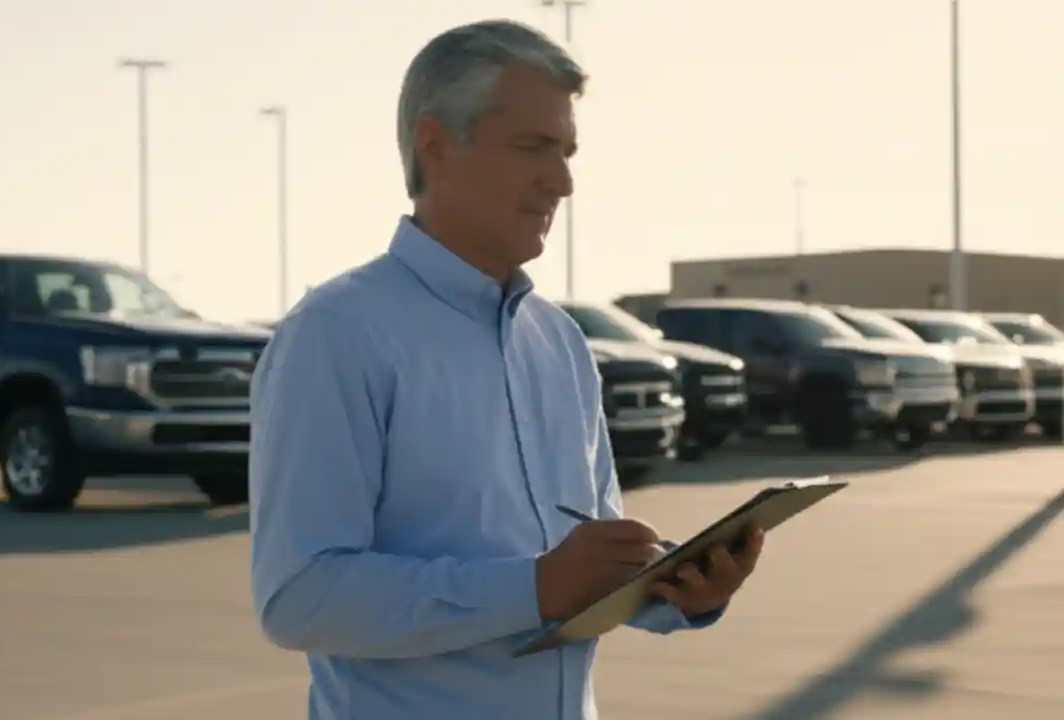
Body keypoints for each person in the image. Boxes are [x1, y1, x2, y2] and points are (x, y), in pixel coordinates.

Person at [248, 18, 765, 720]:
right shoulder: (337, 334)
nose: (563, 182)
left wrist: (679, 588)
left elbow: (586, 572)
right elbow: (300, 598)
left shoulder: (560, 342)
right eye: (533, 147)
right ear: (434, 144)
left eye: (567, 152)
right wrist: (533, 589)